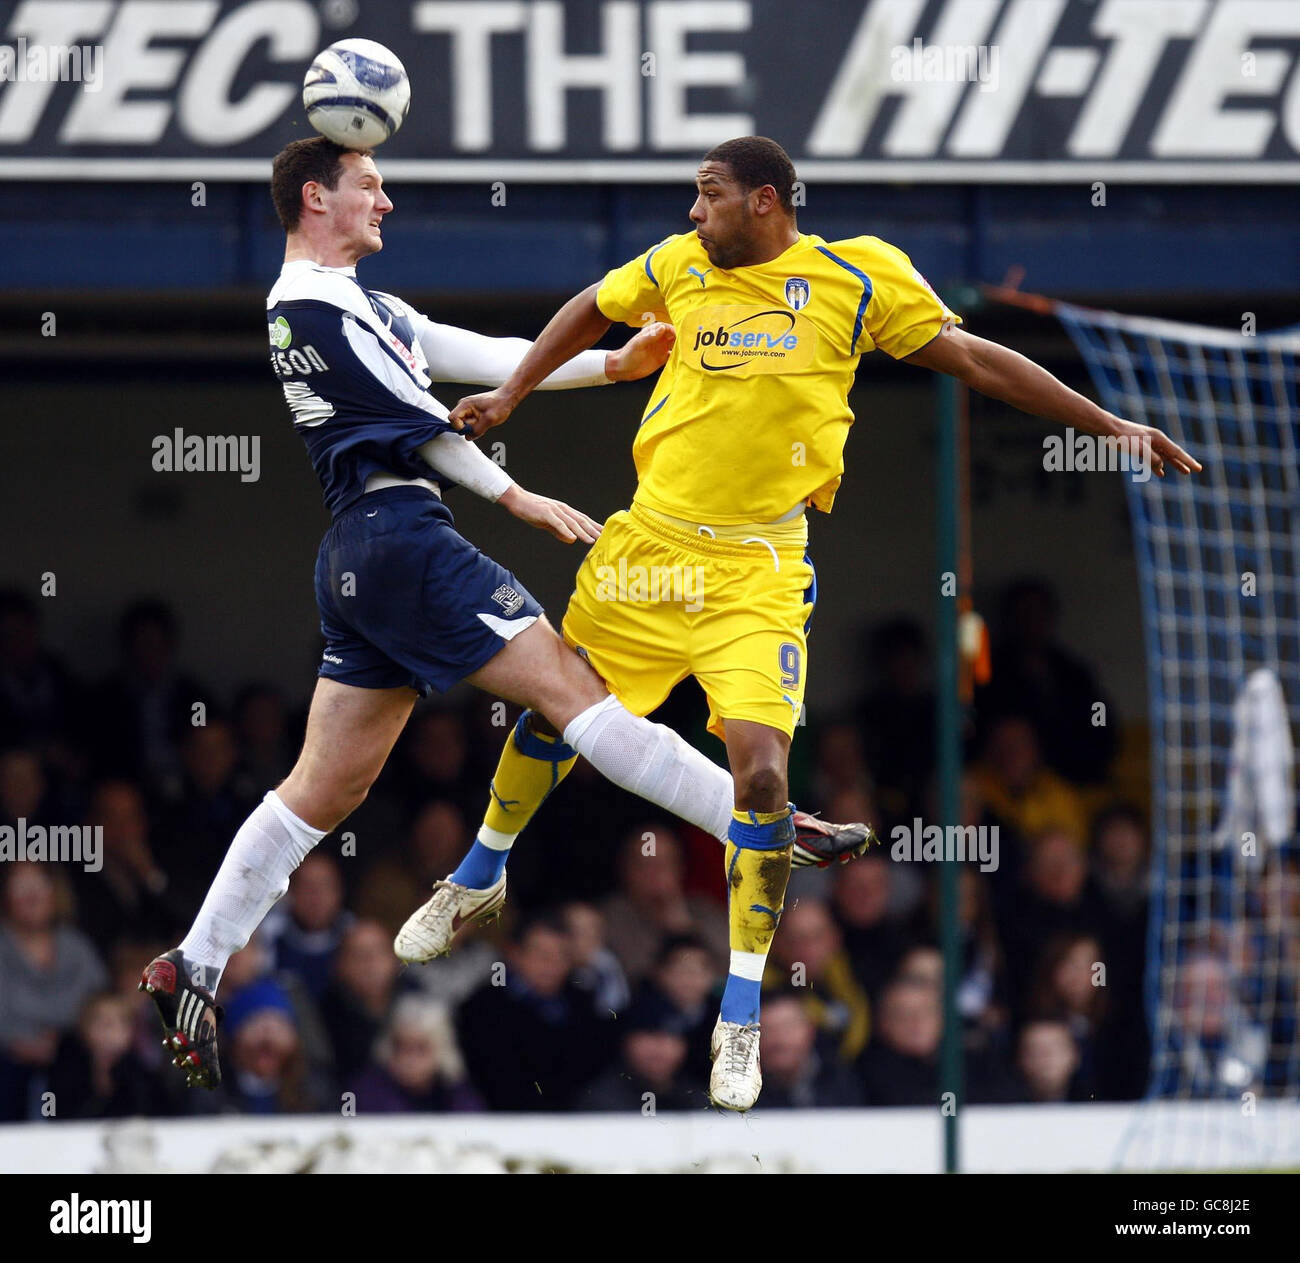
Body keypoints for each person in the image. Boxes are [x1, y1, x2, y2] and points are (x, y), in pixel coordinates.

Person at [440, 134, 1200, 1109]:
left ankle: (742, 1011)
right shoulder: (680, 266)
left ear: (764, 201)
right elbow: (594, 303)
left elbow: (971, 358)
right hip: (648, 550)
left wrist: (1106, 424)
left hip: (757, 570)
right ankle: (480, 869)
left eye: (705, 195)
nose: (690, 212)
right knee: (555, 711)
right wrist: (512, 390)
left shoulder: (855, 277)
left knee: (761, 773)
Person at [139, 137, 870, 1093]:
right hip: (404, 542)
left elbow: (479, 357)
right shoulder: (309, 304)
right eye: (370, 187)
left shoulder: (362, 304)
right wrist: (517, 497)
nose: (387, 204)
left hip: (362, 559)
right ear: (315, 199)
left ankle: (191, 962)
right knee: (579, 694)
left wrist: (615, 365)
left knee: (323, 790)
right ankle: (760, 823)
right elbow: (426, 423)